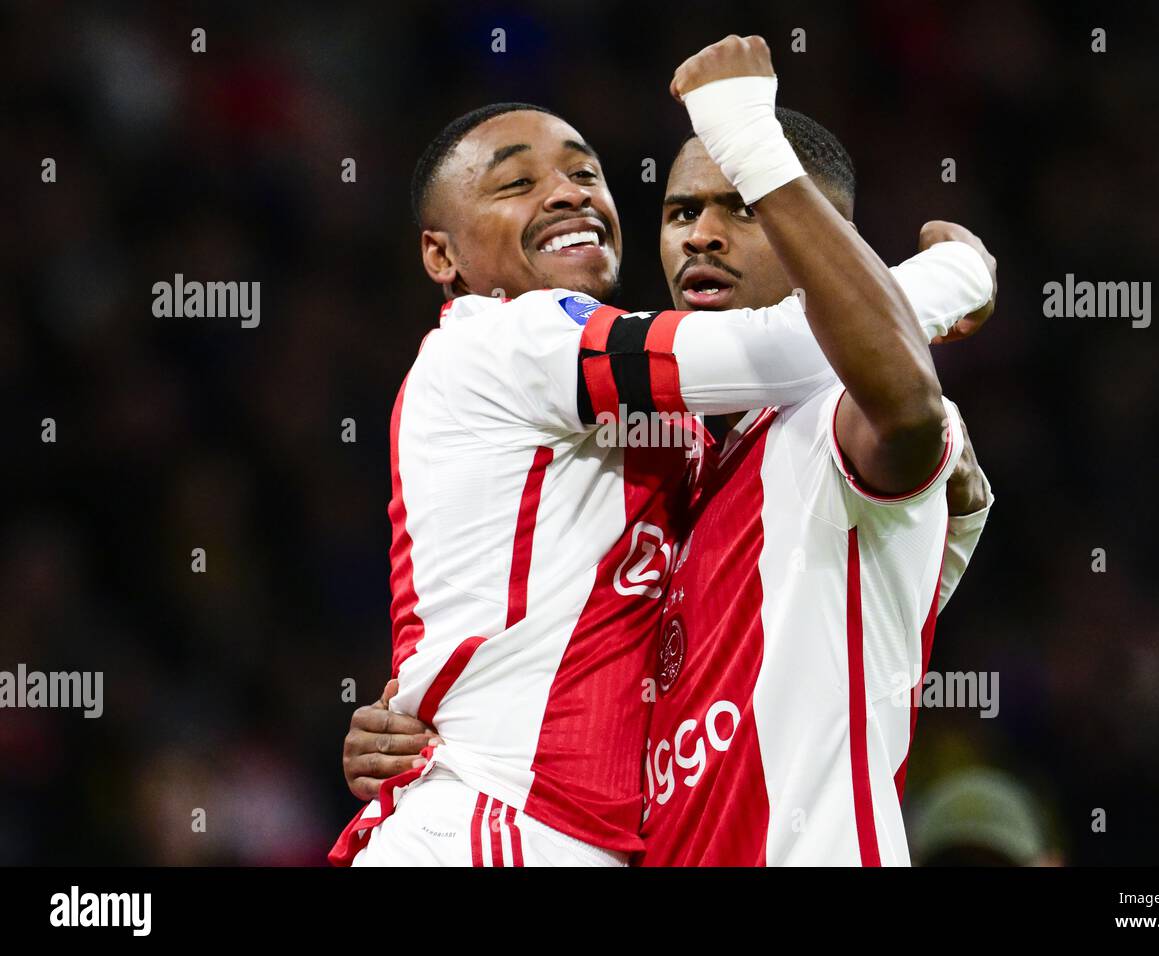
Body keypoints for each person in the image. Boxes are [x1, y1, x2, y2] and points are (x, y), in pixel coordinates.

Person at [336, 35, 994, 867]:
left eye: (744, 203)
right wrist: (952, 277)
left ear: (833, 241)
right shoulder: (518, 346)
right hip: (496, 829)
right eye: (682, 212)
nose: (701, 237)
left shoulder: (819, 419)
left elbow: (901, 409)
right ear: (441, 255)